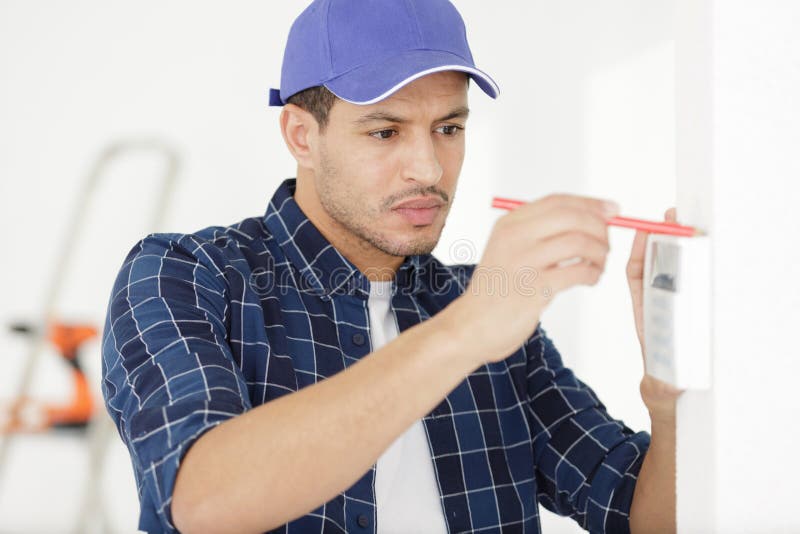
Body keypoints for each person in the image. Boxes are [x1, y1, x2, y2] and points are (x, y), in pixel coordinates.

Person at [101, 1, 681, 532]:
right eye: (385, 131)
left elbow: (643, 515)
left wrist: (671, 392)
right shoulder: (185, 275)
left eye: (449, 128)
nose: (428, 168)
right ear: (302, 135)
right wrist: (464, 333)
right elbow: (202, 501)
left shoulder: (487, 307)